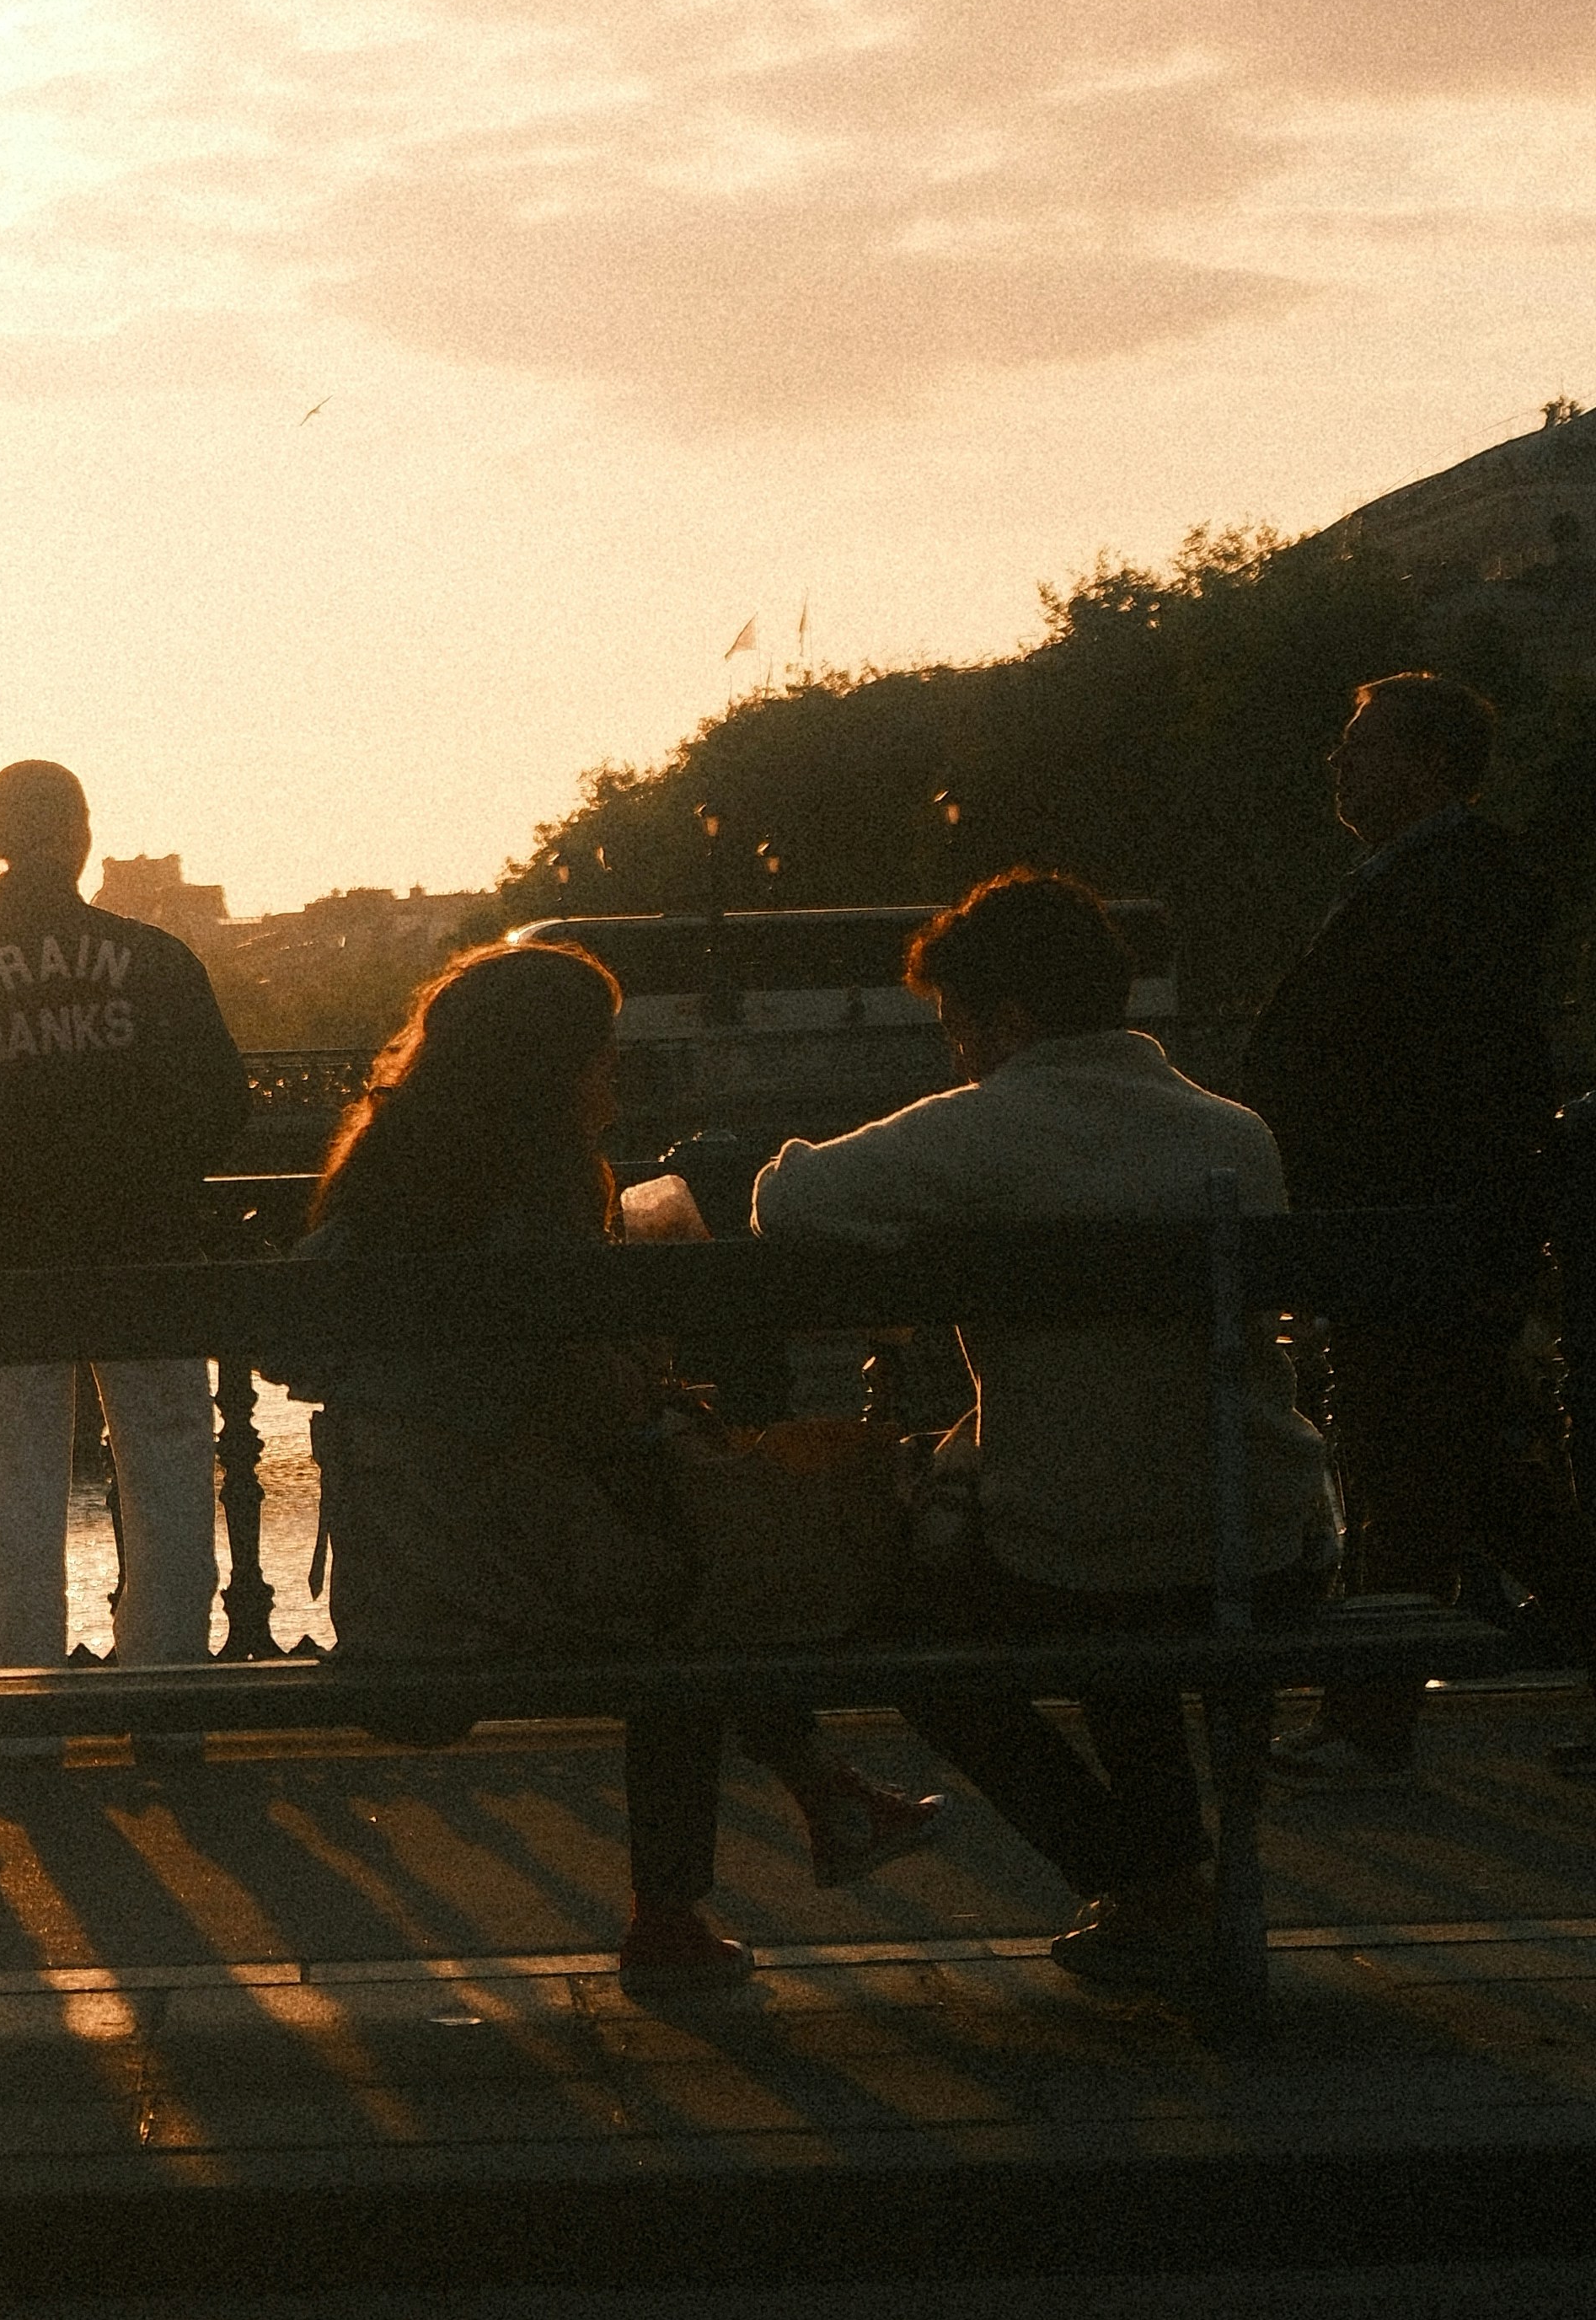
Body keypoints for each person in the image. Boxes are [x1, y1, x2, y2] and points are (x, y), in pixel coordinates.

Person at [756, 867, 1339, 1996]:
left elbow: (793, 1201)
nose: (958, 1056)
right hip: (1261, 1547)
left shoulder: (991, 1130)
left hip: (1074, 1552)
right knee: (1114, 1557)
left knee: (911, 1628)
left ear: (1011, 1022)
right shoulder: (1236, 1132)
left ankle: (1147, 1876)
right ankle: (1162, 1889)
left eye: (959, 1028)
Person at [300, 940, 918, 1996]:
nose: (614, 1074)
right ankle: (685, 1904)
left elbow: (296, 1350)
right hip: (491, 1559)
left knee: (688, 1587)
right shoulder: (536, 1199)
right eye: (600, 1054)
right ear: (548, 1069)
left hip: (395, 1560)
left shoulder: (375, 1177)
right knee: (700, 1608)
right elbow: (579, 1410)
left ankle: (820, 1801)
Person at [1240, 671, 1588, 1776]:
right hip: (1431, 1223)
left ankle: (1367, 1719)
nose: (1337, 762)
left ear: (1426, 768)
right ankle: (1367, 1713)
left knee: (1399, 1456)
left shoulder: (1440, 891)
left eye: (1360, 745)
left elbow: (1405, 1069)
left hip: (1414, 1226)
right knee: (1461, 1466)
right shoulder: (1452, 882)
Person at [0, 763, 248, 1750]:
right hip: (148, 1258)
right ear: (81, 839)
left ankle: (24, 1722)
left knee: (14, 1498)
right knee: (168, 1479)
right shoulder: (156, 959)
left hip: (6, 1271)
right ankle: (166, 1706)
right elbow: (224, 1109)